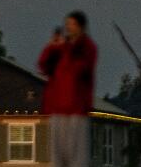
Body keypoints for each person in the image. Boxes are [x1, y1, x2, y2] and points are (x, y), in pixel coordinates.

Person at [37, 10, 98, 167]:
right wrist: (51, 47)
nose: (69, 28)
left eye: (72, 24)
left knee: (76, 158)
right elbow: (43, 66)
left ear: (81, 27)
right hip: (57, 107)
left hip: (76, 108)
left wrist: (66, 48)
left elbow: (80, 69)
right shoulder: (60, 49)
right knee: (57, 158)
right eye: (67, 24)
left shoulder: (87, 47)